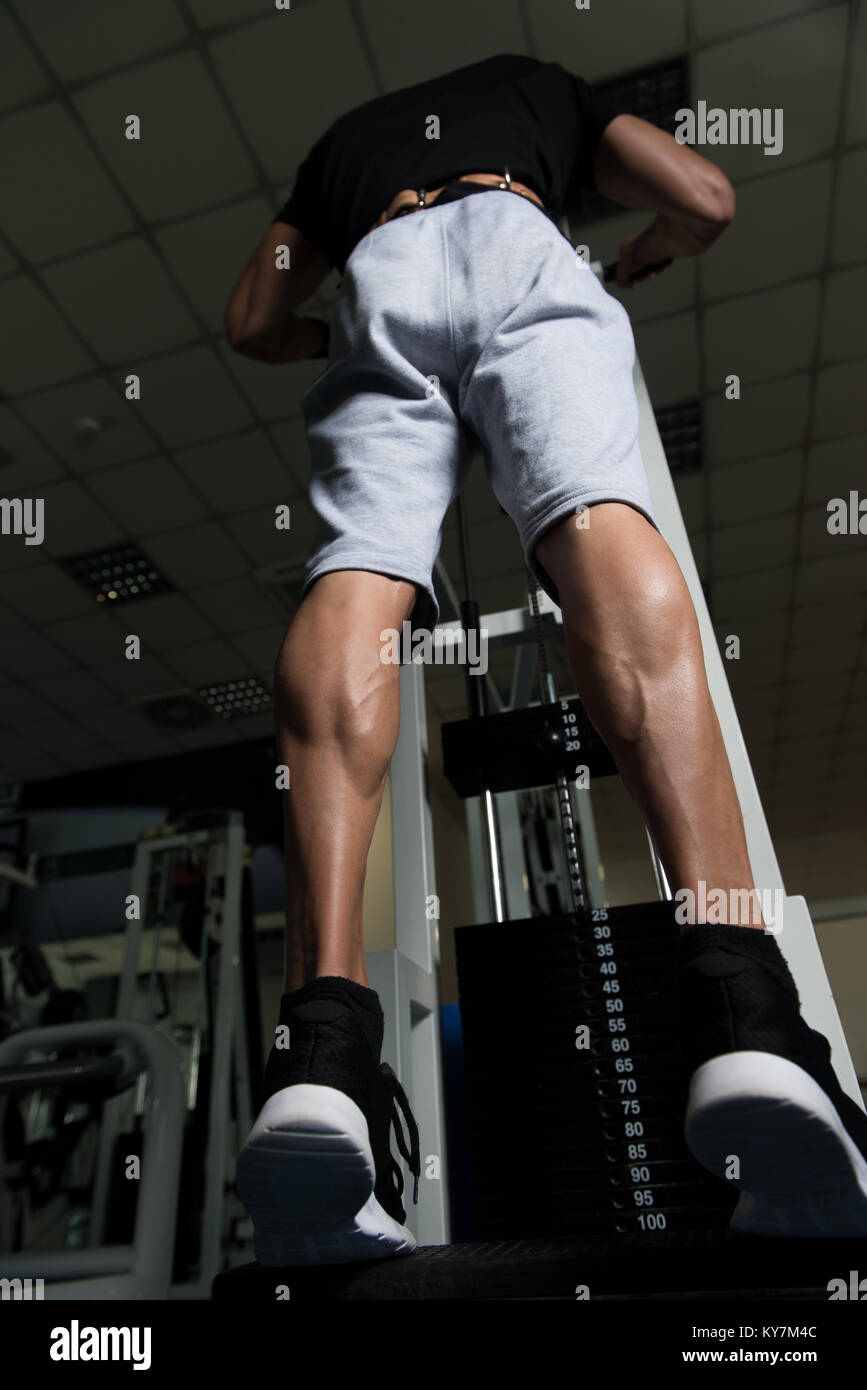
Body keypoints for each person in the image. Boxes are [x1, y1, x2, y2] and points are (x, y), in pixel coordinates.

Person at [226, 54, 867, 1266]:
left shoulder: (337, 151)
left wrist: (343, 329)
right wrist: (651, 251)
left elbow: (250, 319)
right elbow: (706, 198)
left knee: (356, 576)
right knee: (592, 522)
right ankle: (749, 1009)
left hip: (376, 274)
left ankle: (319, 1054)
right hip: (518, 235)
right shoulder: (545, 89)